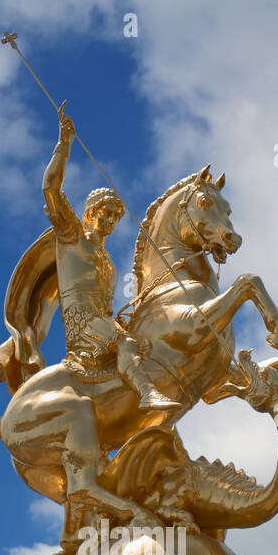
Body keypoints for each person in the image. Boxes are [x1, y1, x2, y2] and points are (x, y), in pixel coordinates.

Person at [43, 104, 179, 413]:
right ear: (90, 213)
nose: (111, 220)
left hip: (105, 324)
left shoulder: (109, 262)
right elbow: (50, 188)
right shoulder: (71, 236)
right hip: (83, 326)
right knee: (127, 344)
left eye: (116, 216)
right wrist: (64, 146)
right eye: (106, 212)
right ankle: (147, 394)